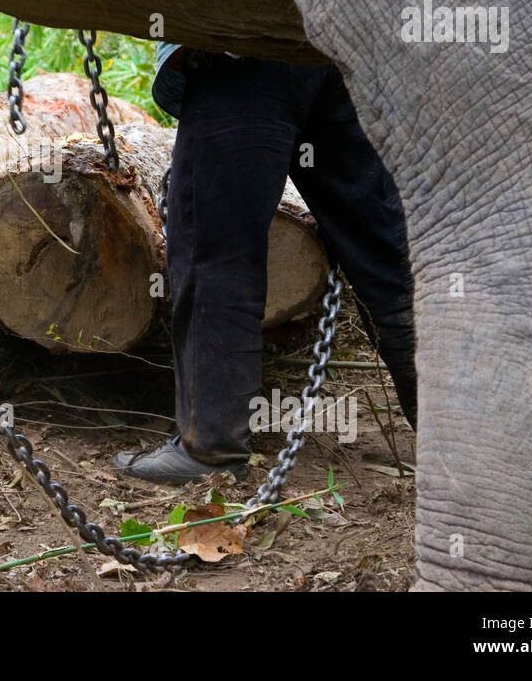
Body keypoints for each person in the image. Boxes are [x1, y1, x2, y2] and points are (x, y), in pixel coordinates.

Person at [115, 43, 418, 485]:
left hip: (239, 42)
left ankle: (210, 447)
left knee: (214, 242)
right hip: (336, 45)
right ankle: (462, 435)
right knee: (383, 246)